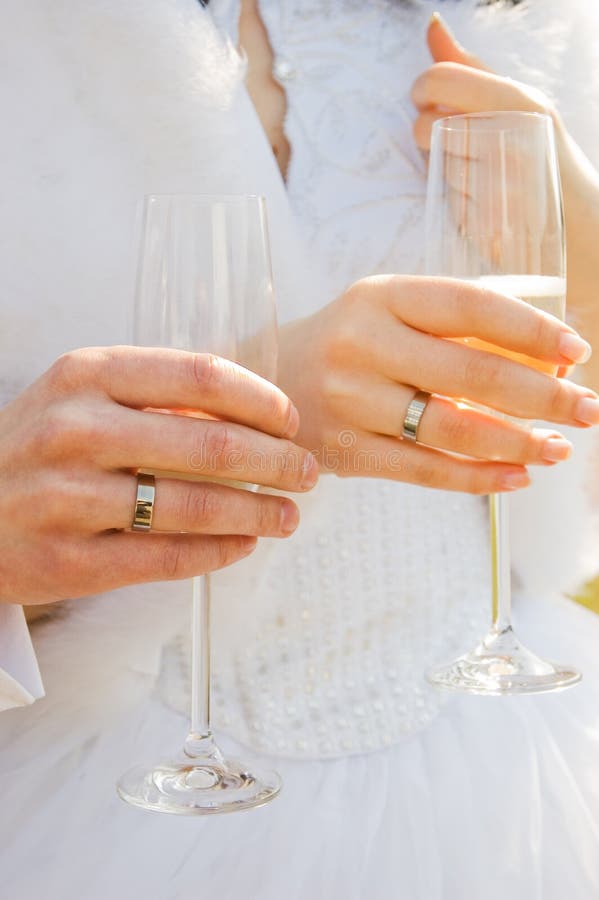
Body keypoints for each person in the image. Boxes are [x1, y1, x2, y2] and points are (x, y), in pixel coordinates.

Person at [2, 2, 599, 898]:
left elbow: (561, 488)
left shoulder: (519, 23)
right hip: (118, 806)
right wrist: (254, 408)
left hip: (513, 766)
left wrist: (587, 267)